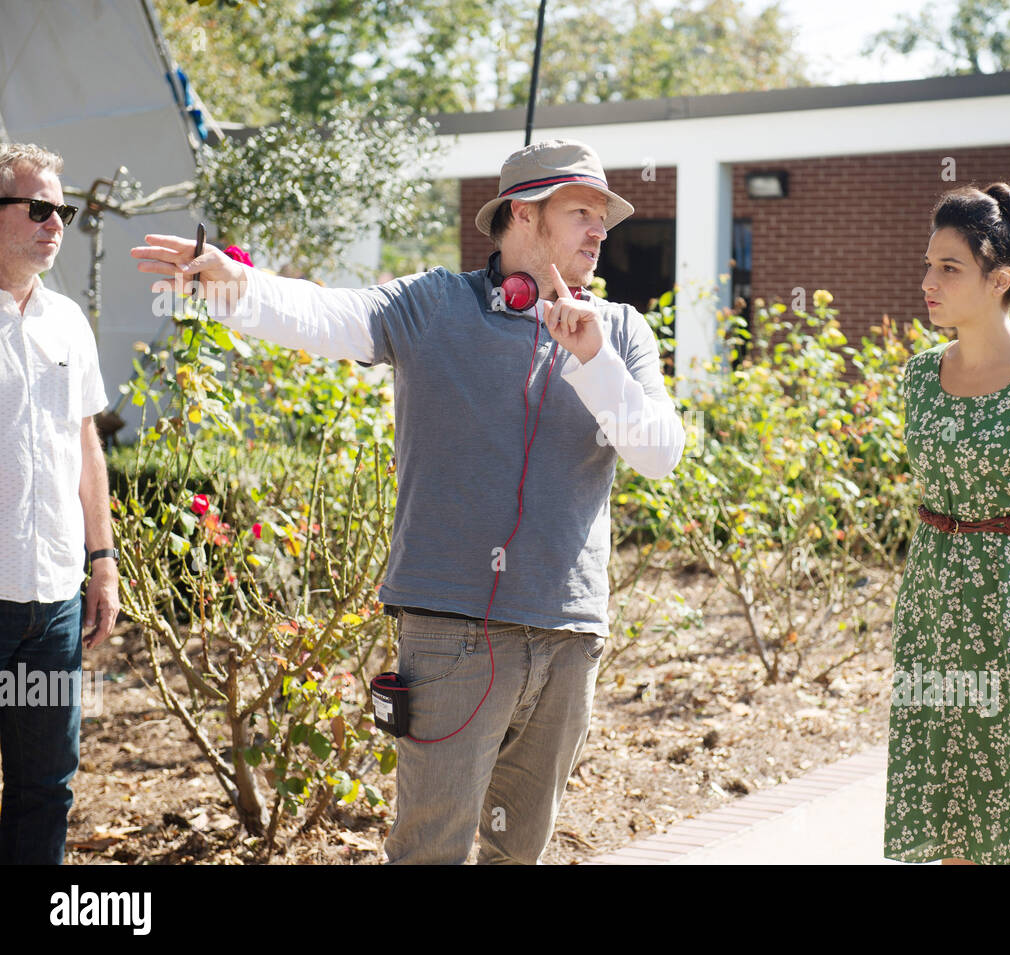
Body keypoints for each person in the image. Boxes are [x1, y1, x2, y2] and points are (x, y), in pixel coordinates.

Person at [132, 139, 685, 864]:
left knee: (517, 852)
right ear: (523, 212)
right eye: (582, 211)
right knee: (431, 851)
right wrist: (233, 284)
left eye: (603, 218)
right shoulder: (430, 305)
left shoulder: (618, 332)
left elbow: (659, 452)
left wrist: (592, 360)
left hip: (569, 635)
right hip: (453, 634)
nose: (599, 232)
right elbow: (324, 315)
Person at [884, 183, 1010, 865]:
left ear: (1000, 278)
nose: (928, 282)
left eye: (949, 267)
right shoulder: (919, 375)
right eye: (928, 264)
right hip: (931, 599)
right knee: (944, 793)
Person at [0, 143, 120, 864]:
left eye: (62, 211)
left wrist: (102, 562)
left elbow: (87, 448)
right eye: (38, 208)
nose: (55, 224)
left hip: (52, 603)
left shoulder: (68, 321)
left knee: (46, 787)